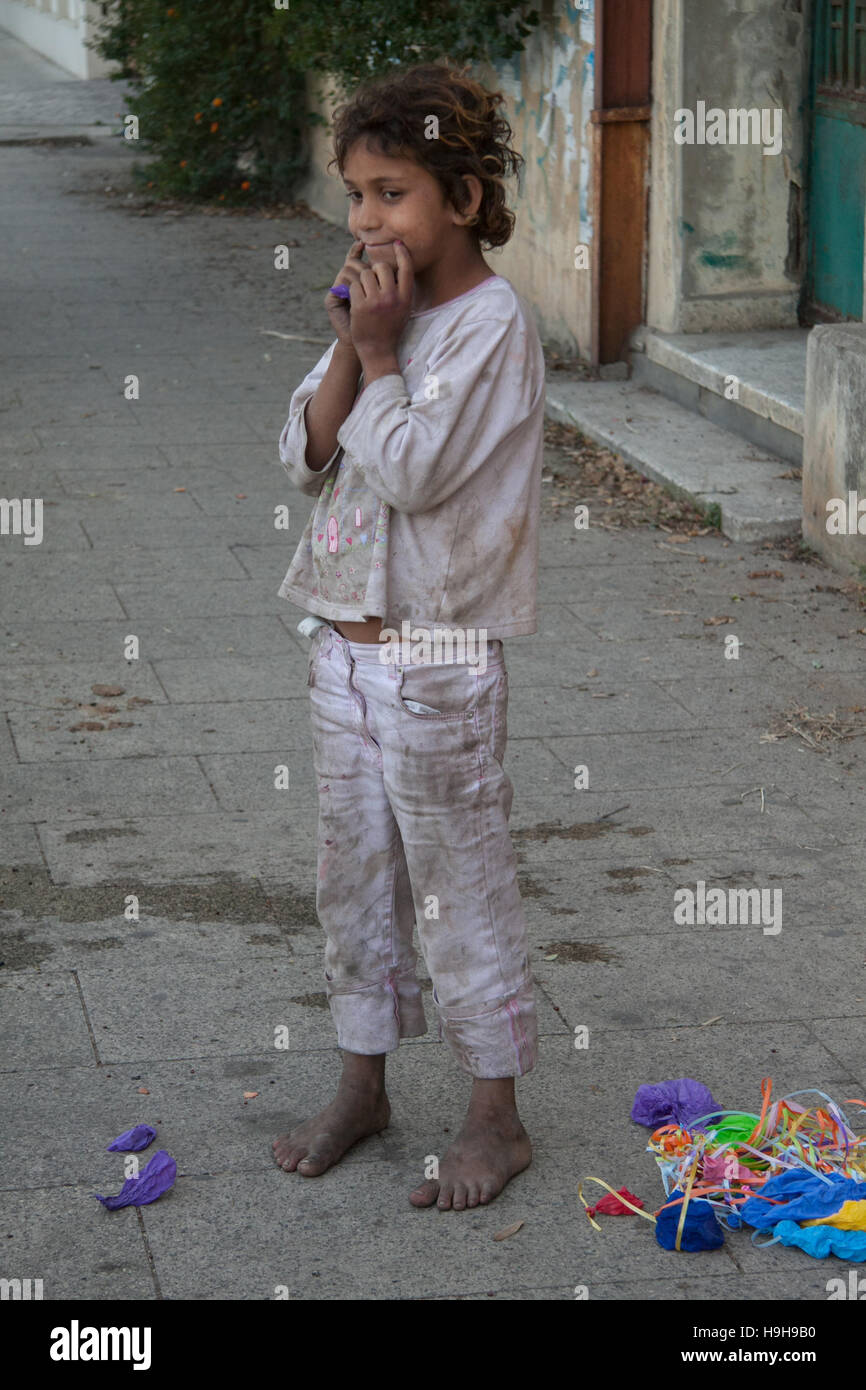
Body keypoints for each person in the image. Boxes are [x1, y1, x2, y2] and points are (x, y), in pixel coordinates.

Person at [272, 61, 546, 1212]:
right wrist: (349, 344)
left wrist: (383, 354)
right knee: (355, 885)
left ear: (463, 200)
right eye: (356, 194)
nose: (365, 220)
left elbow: (419, 470)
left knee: (456, 886)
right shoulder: (378, 319)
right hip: (342, 646)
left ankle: (496, 1115)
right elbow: (306, 452)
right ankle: (363, 1084)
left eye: (391, 193)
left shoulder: (489, 331)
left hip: (437, 659)